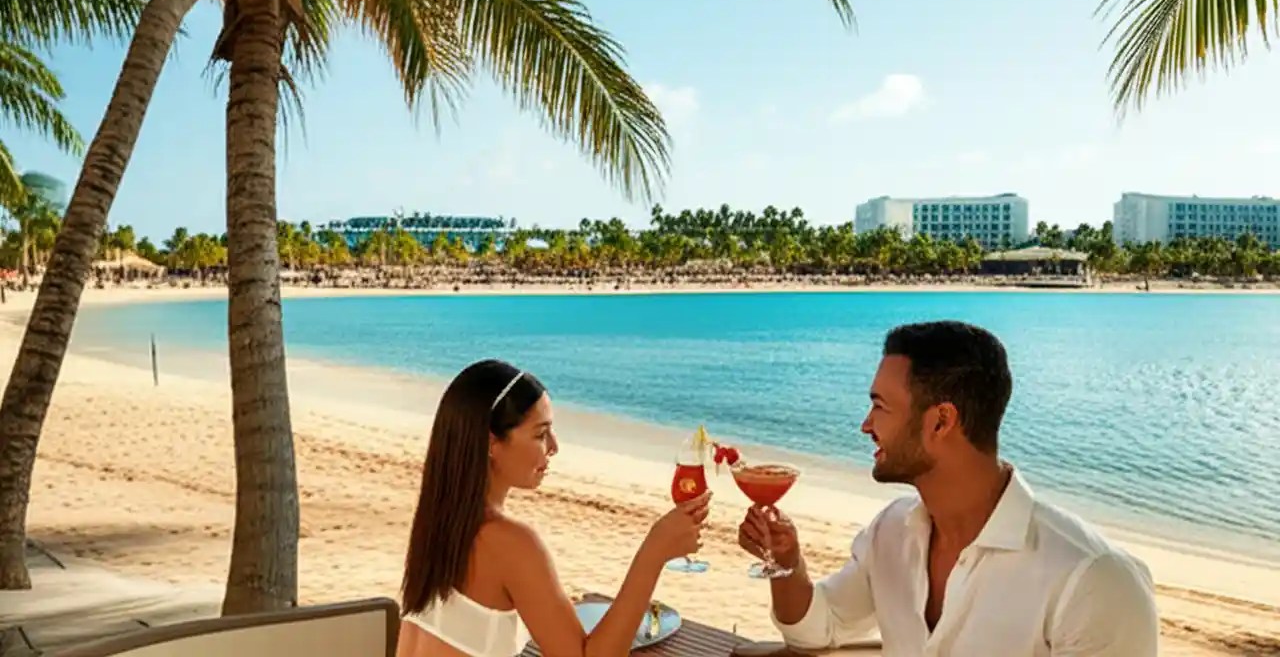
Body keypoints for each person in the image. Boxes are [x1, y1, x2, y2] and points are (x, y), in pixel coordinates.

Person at [737, 321, 1159, 656]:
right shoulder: (891, 532)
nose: (866, 425)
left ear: (941, 421)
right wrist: (788, 563)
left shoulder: (1093, 578)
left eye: (880, 406)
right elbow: (817, 630)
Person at [397, 359, 711, 657]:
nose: (554, 447)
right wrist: (654, 553)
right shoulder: (510, 542)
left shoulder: (438, 526)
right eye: (540, 434)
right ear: (491, 443)